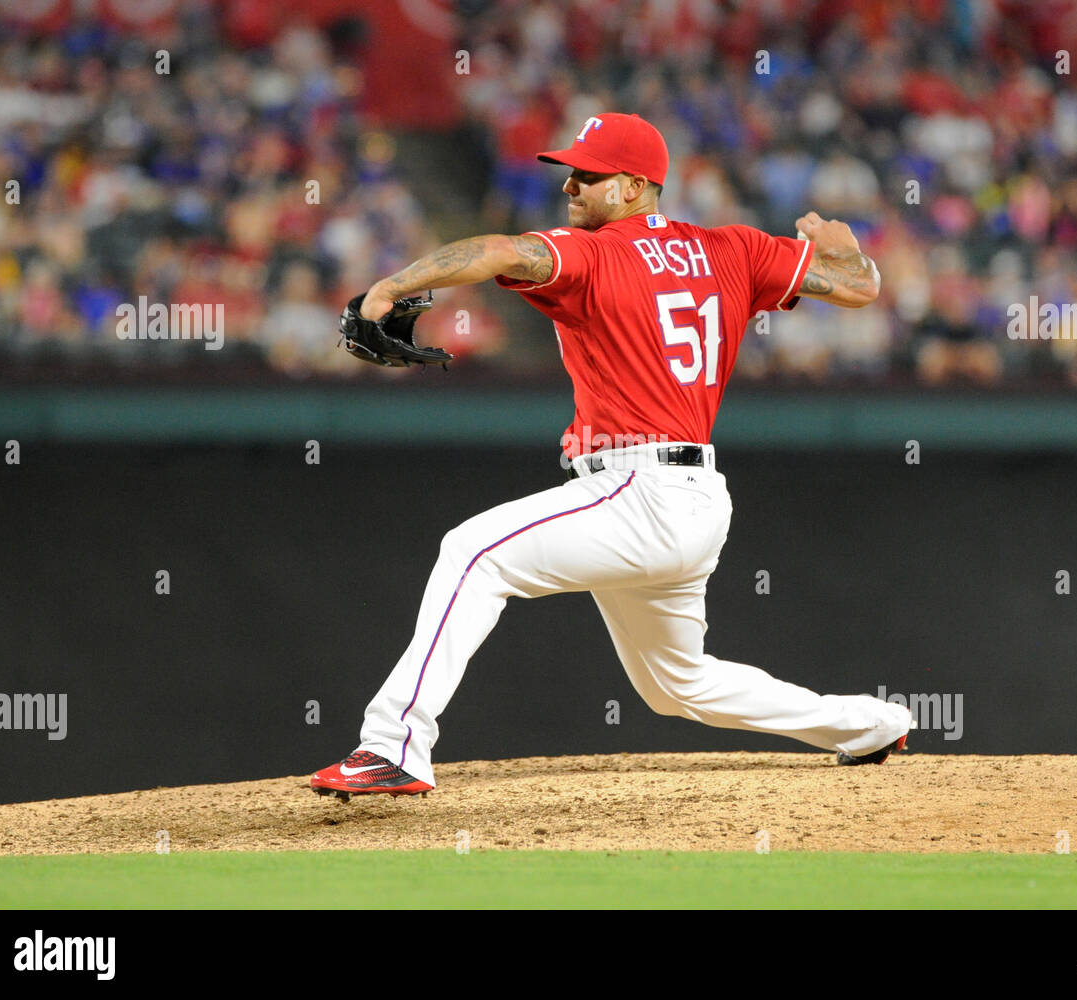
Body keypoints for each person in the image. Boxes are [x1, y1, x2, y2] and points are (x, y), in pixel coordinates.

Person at [310, 113, 913, 799]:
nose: (570, 182)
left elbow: (501, 250)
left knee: (473, 552)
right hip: (695, 499)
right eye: (570, 169)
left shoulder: (595, 254)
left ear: (632, 187)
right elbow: (861, 287)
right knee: (676, 684)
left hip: (638, 489)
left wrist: (387, 288)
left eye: (588, 174)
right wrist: (847, 248)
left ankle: (393, 746)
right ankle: (868, 723)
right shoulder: (735, 248)